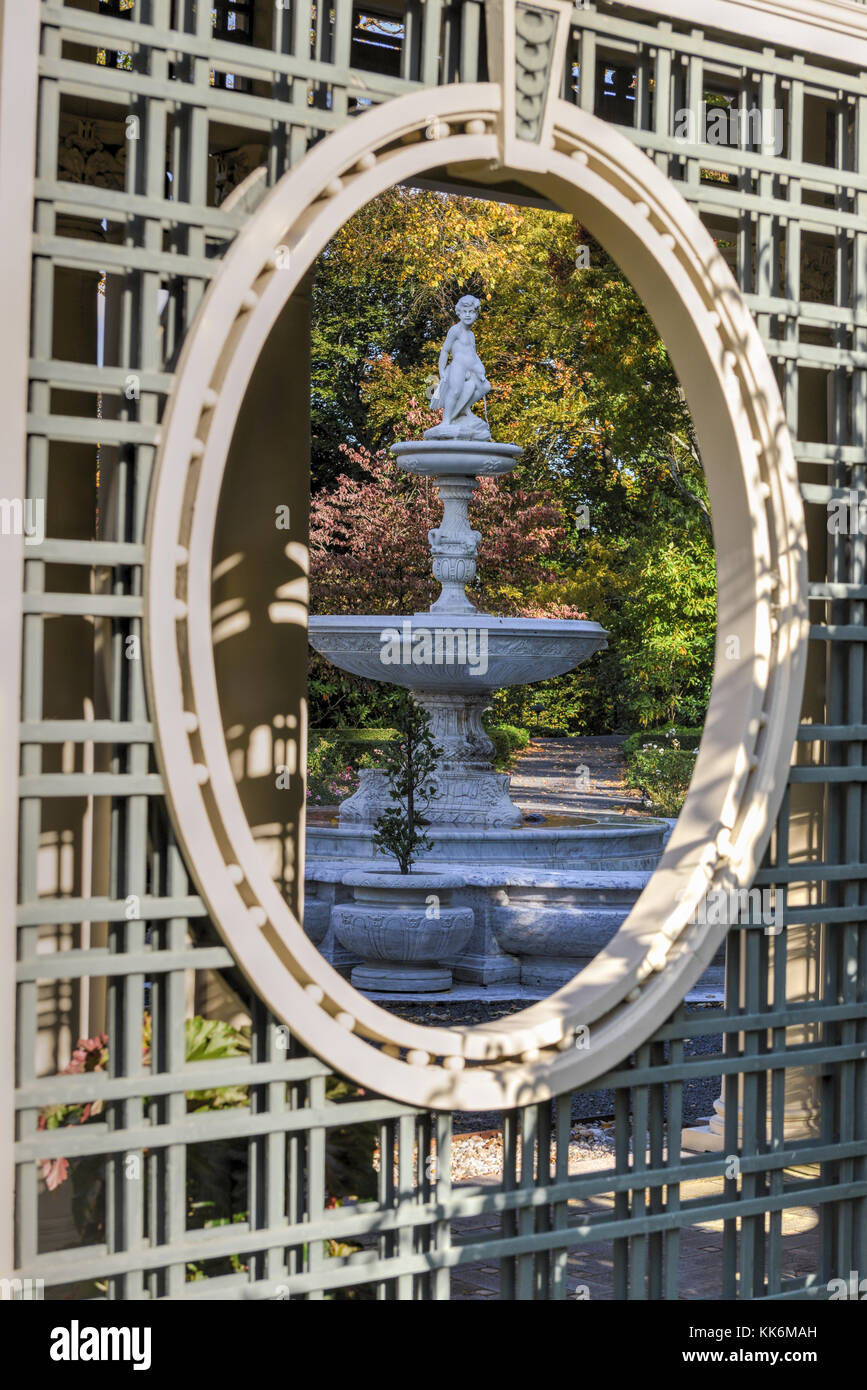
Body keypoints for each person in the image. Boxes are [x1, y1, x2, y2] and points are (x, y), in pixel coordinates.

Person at [425, 295, 492, 440]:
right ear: (459, 313)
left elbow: (473, 354)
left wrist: (480, 370)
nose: (468, 315)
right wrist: (442, 371)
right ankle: (446, 421)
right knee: (455, 391)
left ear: (476, 314)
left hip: (471, 368)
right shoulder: (455, 330)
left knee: (485, 387)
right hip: (458, 366)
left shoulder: (471, 334)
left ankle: (463, 410)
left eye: (471, 312)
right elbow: (445, 350)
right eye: (465, 312)